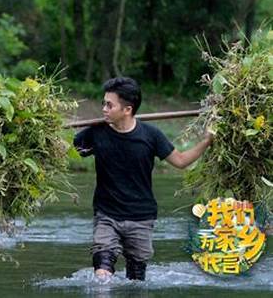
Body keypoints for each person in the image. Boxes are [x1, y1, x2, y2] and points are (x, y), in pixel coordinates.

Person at [73, 77, 213, 281]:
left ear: (127, 109)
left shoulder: (151, 136)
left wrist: (208, 141)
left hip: (141, 218)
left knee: (136, 279)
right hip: (106, 216)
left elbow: (181, 161)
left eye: (109, 105)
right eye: (104, 103)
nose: (103, 109)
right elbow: (69, 148)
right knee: (102, 272)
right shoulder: (95, 133)